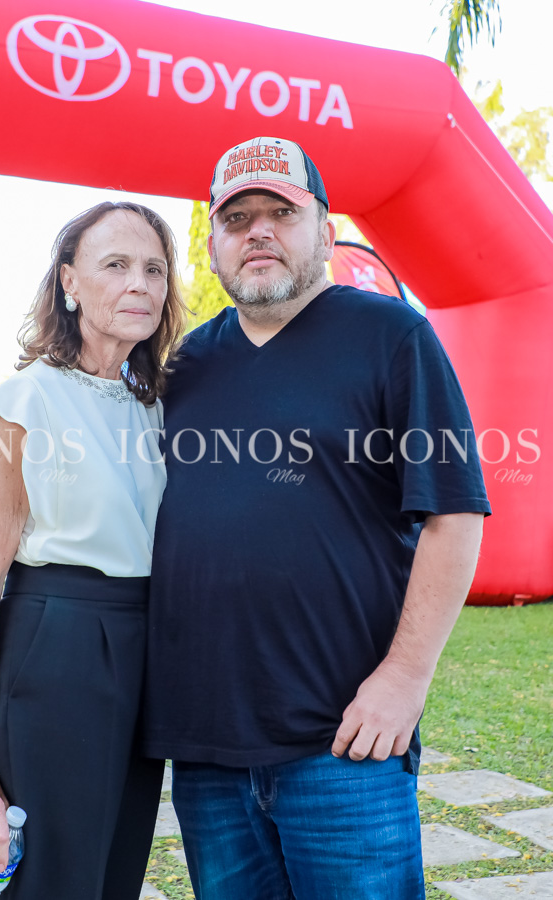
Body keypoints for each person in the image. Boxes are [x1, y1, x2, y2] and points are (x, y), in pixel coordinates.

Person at [142, 136, 491, 899]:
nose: (257, 230)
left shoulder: (392, 337)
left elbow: (456, 515)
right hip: (205, 749)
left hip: (347, 740)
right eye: (236, 218)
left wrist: (403, 679)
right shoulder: (183, 367)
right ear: (212, 246)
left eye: (280, 212)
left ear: (323, 232)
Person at [0, 201, 187, 900]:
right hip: (57, 645)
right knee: (51, 875)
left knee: (115, 868)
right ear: (69, 283)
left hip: (149, 647)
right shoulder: (22, 401)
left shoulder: (166, 404)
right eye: (114, 265)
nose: (138, 284)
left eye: (153, 268)